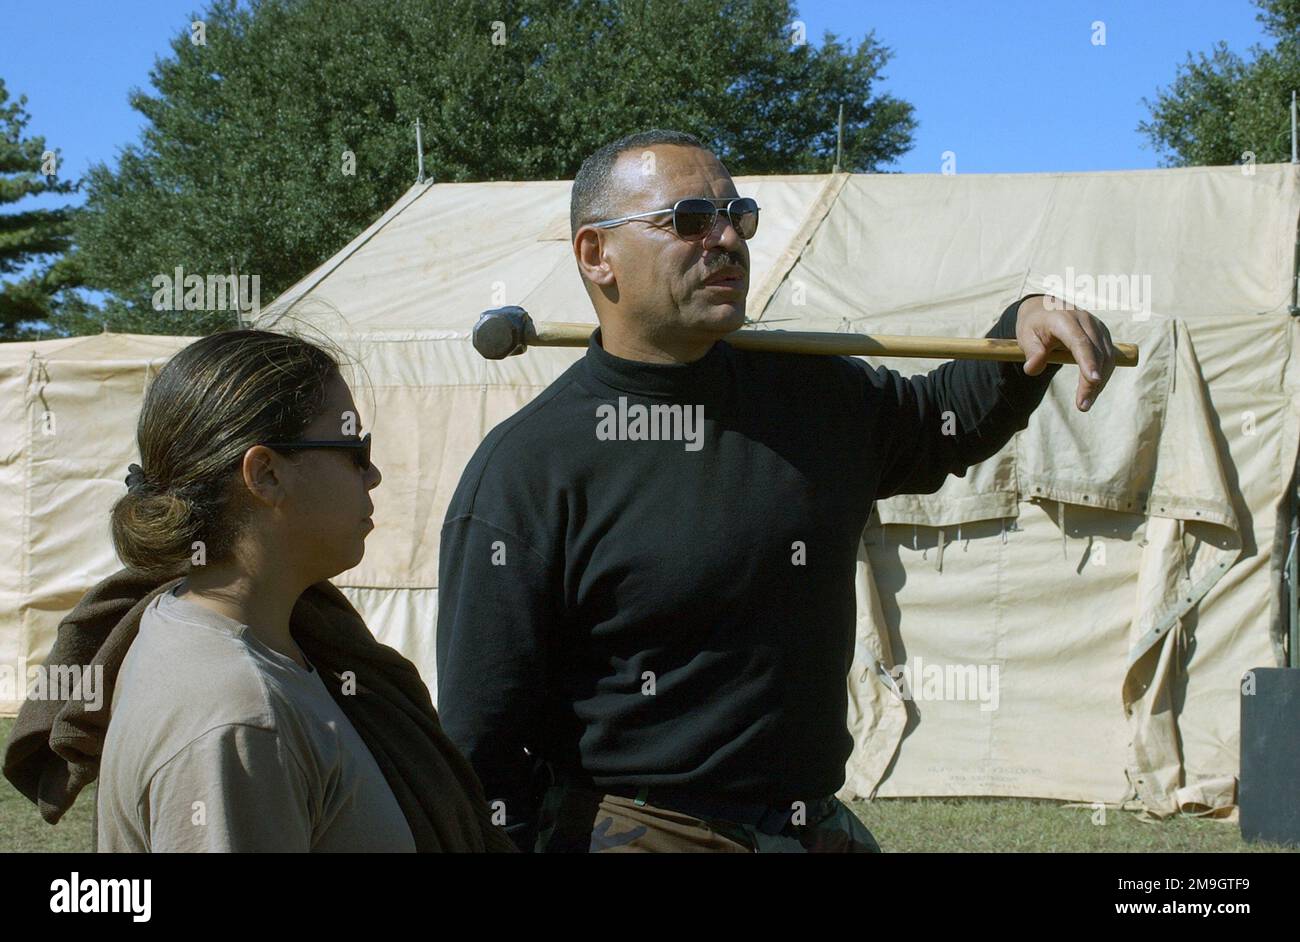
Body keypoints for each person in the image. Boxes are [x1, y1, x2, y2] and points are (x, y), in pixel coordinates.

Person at [436, 128, 1118, 853]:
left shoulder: (811, 398)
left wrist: (1022, 333)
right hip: (643, 831)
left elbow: (937, 423)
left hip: (809, 822)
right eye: (691, 220)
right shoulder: (529, 471)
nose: (727, 238)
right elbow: (483, 737)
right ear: (596, 254)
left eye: (739, 216)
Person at [98, 329, 408, 851]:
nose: (372, 474)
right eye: (355, 448)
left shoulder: (214, 627)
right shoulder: (236, 717)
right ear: (265, 474)